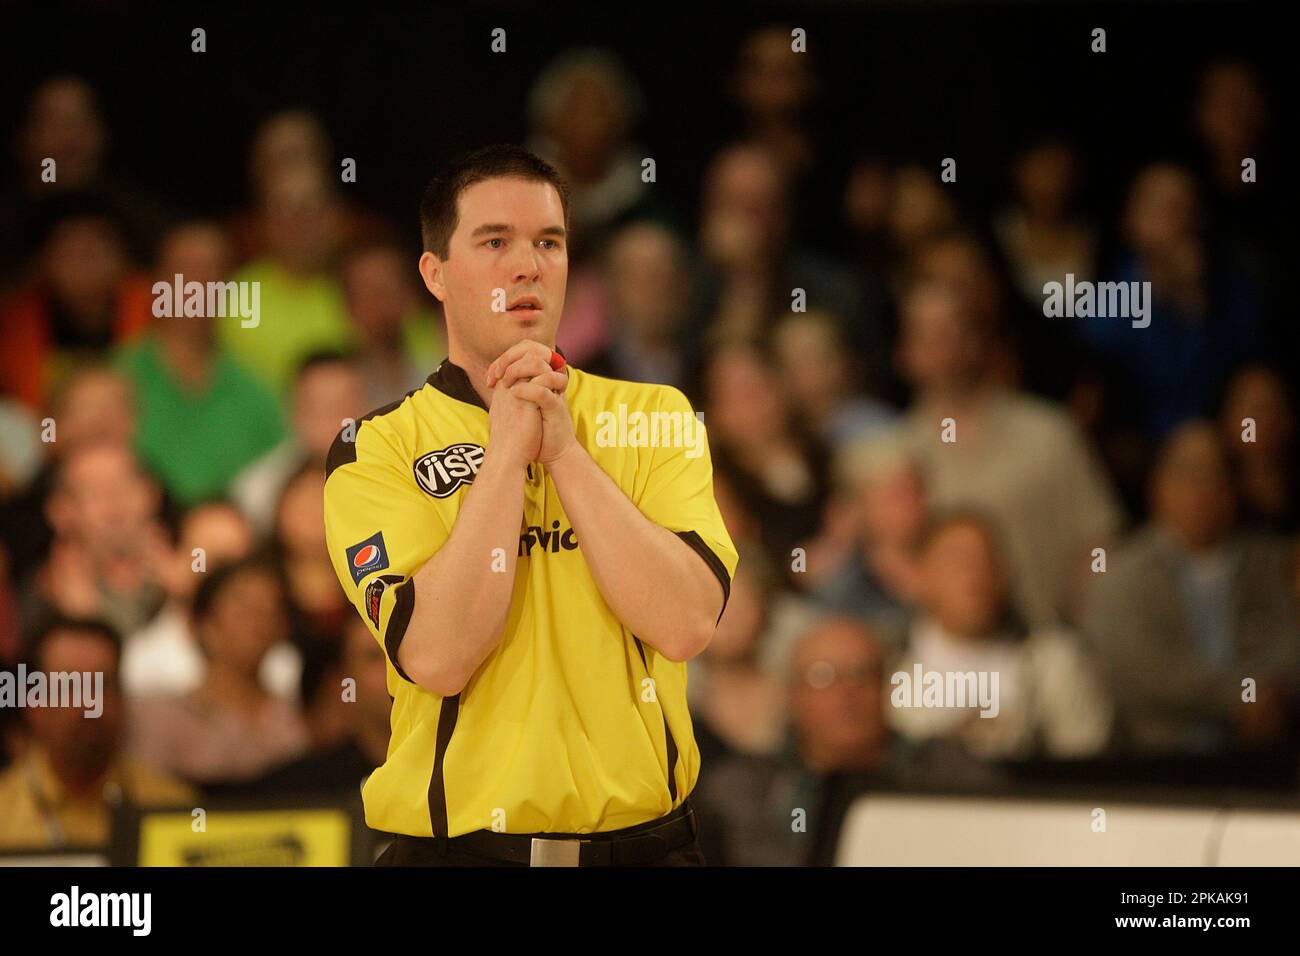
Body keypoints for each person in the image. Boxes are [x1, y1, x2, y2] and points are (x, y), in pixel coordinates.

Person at [322, 145, 738, 866]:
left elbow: (686, 623)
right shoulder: (376, 445)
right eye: (495, 242)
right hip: (461, 854)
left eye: (549, 242)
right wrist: (507, 455)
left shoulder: (654, 416)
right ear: (435, 274)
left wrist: (566, 453)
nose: (528, 266)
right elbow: (438, 655)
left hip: (647, 849)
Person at [1081, 421, 1300, 755]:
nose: (1202, 490)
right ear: (1157, 486)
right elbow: (1139, 671)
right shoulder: (1123, 574)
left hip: (1269, 750)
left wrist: (1273, 692)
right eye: (1187, 474)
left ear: (1234, 488)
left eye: (1216, 475)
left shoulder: (1272, 563)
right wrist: (1240, 697)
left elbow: (1290, 642)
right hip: (1157, 757)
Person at [0, 617, 193, 851]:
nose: (90, 704)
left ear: (122, 699)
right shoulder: (4, 815)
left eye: (102, 685)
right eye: (71, 687)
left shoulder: (173, 809)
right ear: (34, 704)